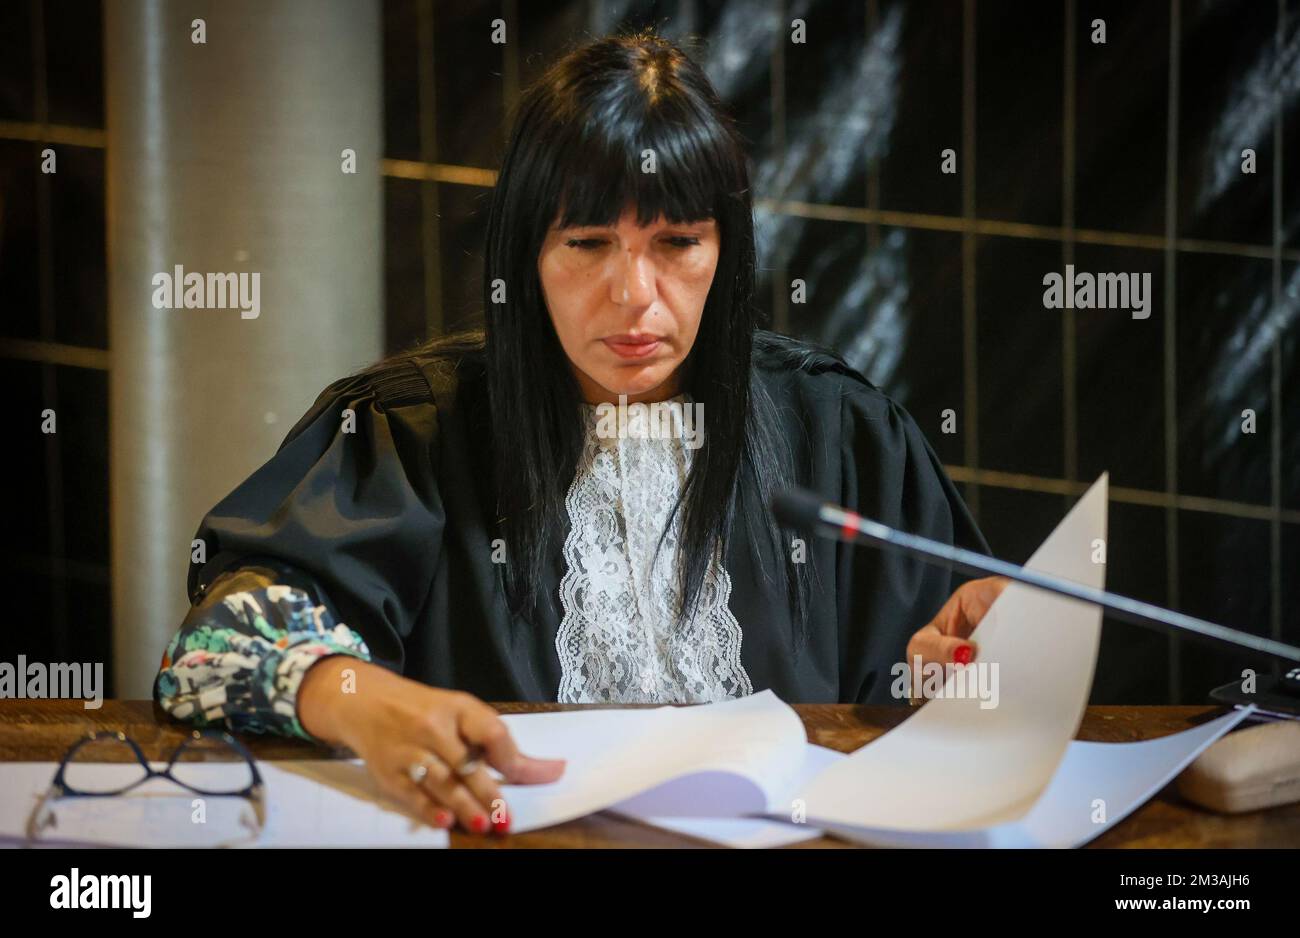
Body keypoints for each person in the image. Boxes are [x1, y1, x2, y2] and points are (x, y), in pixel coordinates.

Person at [153, 30, 1005, 838]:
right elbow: (211, 649)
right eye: (589, 242)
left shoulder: (840, 432)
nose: (635, 295)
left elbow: (943, 693)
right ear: (526, 256)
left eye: (677, 242)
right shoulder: (410, 436)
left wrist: (965, 670)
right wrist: (356, 697)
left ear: (727, 250)